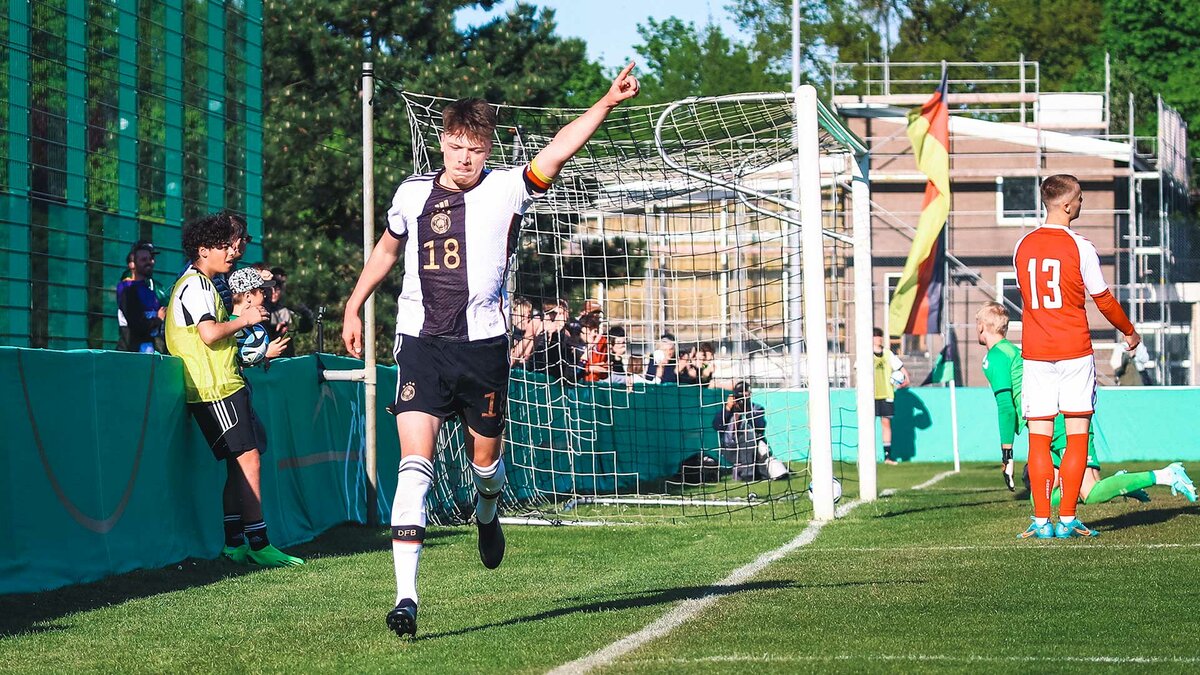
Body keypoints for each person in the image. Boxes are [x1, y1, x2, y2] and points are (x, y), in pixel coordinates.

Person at [340, 63, 641, 638]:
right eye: (455, 147)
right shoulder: (411, 194)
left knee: (486, 465)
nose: (464, 158)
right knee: (414, 466)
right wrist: (355, 305)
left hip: (483, 350)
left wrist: (605, 102)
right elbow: (384, 252)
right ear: (442, 145)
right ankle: (406, 599)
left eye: (475, 149)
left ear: (487, 150)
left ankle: (487, 511)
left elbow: (559, 149)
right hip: (421, 343)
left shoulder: (509, 186)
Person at [165, 212, 304, 568]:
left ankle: (235, 544)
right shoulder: (195, 285)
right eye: (224, 246)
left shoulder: (206, 284)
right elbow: (209, 333)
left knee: (239, 464)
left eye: (233, 245)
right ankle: (259, 542)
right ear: (203, 250)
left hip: (224, 385)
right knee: (249, 460)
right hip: (214, 390)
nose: (232, 252)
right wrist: (244, 321)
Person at [1013, 174, 1142, 539]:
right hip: (1073, 351)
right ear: (1068, 204)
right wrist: (1129, 331)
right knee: (1077, 436)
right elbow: (1103, 299)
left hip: (1036, 352)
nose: (1082, 204)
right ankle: (1068, 519)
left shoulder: (1022, 245)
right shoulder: (1081, 247)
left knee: (1038, 438)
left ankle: (1041, 522)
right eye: (1081, 199)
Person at [975, 302, 1196, 509]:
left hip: (1060, 422)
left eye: (978, 323)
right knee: (1040, 498)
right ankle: (1121, 484)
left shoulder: (994, 357)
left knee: (1089, 493)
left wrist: (1007, 454)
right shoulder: (1011, 351)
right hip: (1049, 423)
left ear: (982, 326)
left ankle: (1166, 475)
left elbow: (1005, 407)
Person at [712, 381, 786, 481]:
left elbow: (760, 427)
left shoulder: (756, 408)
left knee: (766, 464)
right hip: (731, 450)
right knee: (747, 438)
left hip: (753, 449)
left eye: (744, 395)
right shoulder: (727, 410)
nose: (741, 399)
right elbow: (717, 426)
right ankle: (748, 474)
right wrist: (728, 409)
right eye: (739, 395)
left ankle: (755, 472)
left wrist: (747, 410)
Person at [228, 267, 291, 364]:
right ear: (248, 296)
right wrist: (265, 354)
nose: (265, 296)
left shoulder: (256, 324)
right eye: (262, 291)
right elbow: (233, 363)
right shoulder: (230, 329)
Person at [116, 240, 167, 353]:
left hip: (151, 352)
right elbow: (137, 325)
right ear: (132, 264)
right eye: (144, 260)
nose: (149, 262)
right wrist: (158, 319)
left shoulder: (151, 288)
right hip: (133, 354)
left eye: (150, 259)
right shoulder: (127, 289)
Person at [872, 328, 909, 465]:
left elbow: (901, 369)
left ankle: (887, 456)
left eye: (880, 336)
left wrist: (906, 378)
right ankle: (867, 455)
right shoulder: (866, 354)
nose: (879, 339)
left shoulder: (888, 354)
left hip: (887, 394)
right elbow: (857, 369)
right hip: (870, 395)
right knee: (868, 425)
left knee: (886, 423)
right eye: (876, 336)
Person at [266, 266, 313, 357]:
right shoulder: (260, 309)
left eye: (277, 288)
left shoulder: (284, 310)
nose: (274, 292)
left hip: (285, 358)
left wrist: (304, 313)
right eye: (270, 289)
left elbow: (305, 327)